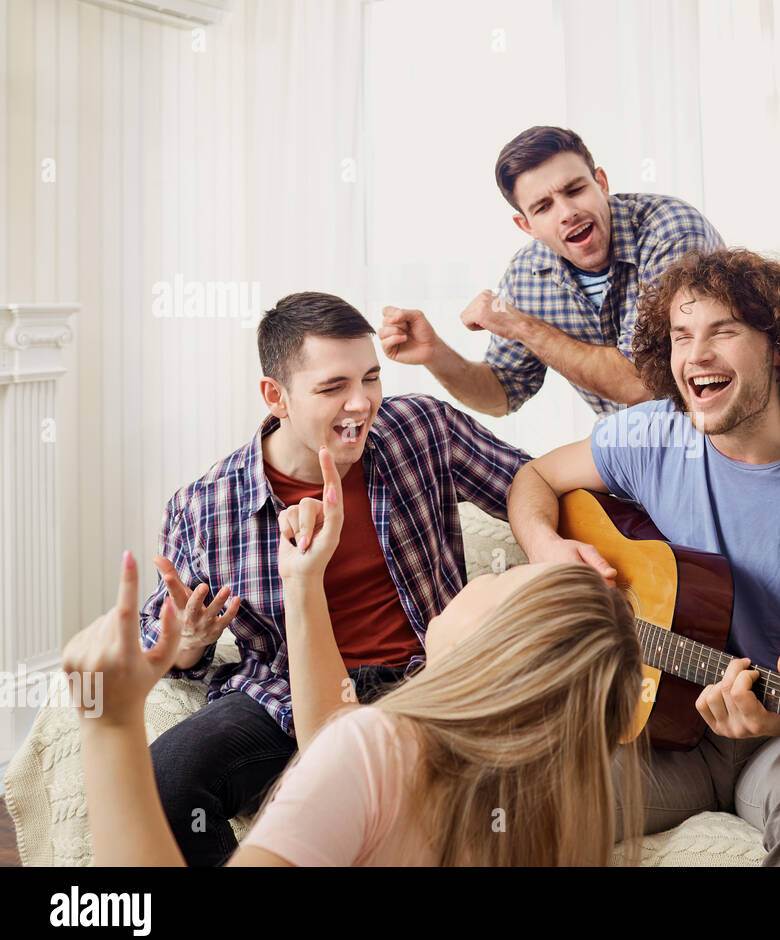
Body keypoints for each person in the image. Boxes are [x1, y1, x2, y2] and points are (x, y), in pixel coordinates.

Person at [506, 247, 780, 866]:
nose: (695, 355)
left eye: (722, 332)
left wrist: (769, 718)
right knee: (507, 800)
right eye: (680, 336)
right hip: (661, 730)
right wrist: (547, 547)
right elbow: (533, 479)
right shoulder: (653, 436)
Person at [62, 446, 645, 866]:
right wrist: (302, 581)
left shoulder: (375, 746)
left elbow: (347, 755)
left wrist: (107, 728)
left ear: (494, 653)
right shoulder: (545, 806)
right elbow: (333, 748)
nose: (478, 579)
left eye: (504, 579)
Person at [140, 291, 529, 865]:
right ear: (276, 397)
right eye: (332, 387)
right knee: (162, 784)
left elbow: (528, 483)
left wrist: (553, 544)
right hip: (284, 697)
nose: (360, 403)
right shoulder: (207, 506)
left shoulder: (419, 429)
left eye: (370, 378)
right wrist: (188, 641)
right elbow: (162, 637)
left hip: (431, 679)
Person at [379, 125, 724, 417]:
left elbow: (641, 381)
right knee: (532, 480)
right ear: (525, 224)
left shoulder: (670, 230)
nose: (567, 212)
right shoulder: (526, 275)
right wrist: (435, 353)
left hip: (717, 432)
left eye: (575, 190)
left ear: (601, 182)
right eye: (543, 207)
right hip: (636, 449)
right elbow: (501, 393)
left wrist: (522, 326)